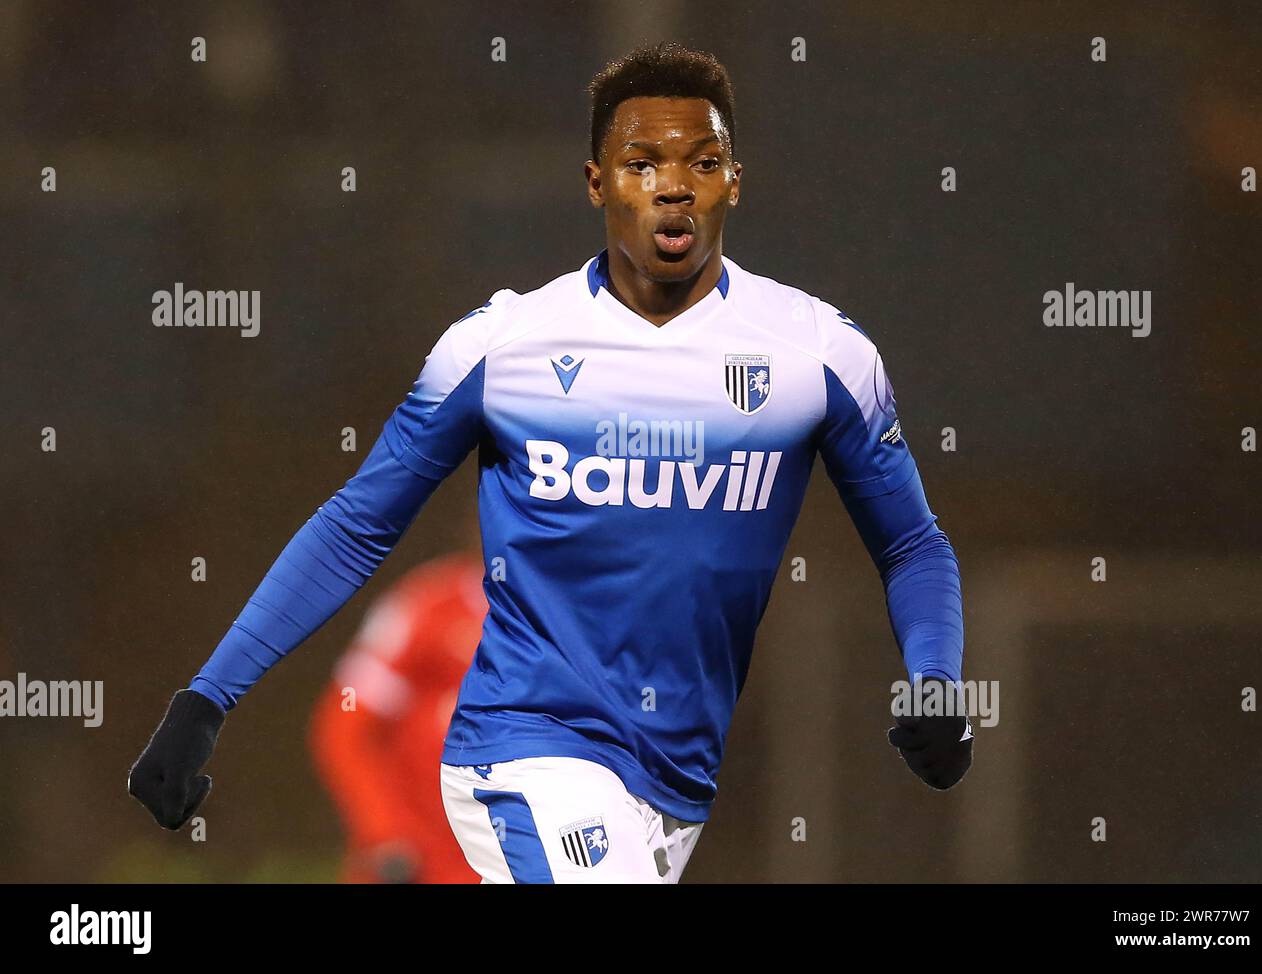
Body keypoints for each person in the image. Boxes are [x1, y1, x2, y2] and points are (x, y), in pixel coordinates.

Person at [130, 41, 971, 884]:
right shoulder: (500, 348)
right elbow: (356, 524)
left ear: (732, 183)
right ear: (598, 183)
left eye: (702, 162)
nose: (674, 185)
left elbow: (912, 545)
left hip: (678, 780)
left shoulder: (818, 354)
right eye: (642, 163)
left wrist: (935, 679)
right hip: (526, 750)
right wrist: (206, 699)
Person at [309, 552, 485, 884]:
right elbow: (344, 728)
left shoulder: (579, 620)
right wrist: (384, 831)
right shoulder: (429, 605)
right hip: (420, 864)